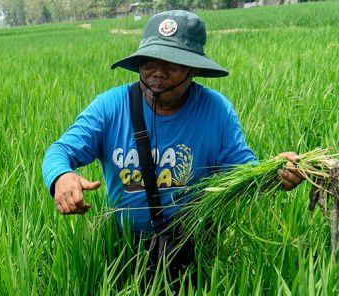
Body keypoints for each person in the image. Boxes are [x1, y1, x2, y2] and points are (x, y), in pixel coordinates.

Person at [42, 10, 304, 274]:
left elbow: (243, 171)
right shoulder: (110, 107)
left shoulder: (215, 110)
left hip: (196, 250)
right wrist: (61, 176)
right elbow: (59, 151)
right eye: (149, 62)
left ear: (193, 69)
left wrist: (273, 173)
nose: (158, 73)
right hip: (125, 252)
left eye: (172, 64)